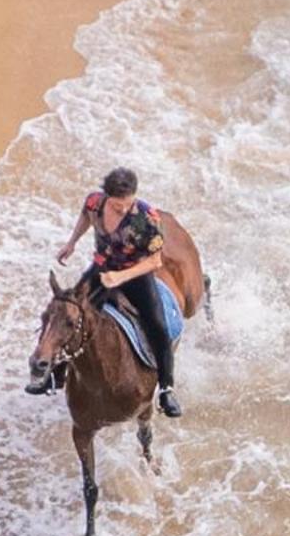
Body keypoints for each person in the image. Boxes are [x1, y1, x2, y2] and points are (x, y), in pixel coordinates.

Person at [35, 166, 183, 416]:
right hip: (102, 271)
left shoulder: (148, 218)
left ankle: (167, 388)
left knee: (159, 326)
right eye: (117, 206)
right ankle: (56, 374)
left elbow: (155, 261)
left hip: (136, 275)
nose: (123, 210)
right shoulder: (94, 202)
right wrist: (72, 243)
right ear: (106, 197)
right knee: (69, 314)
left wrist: (121, 276)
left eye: (127, 204)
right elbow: (85, 216)